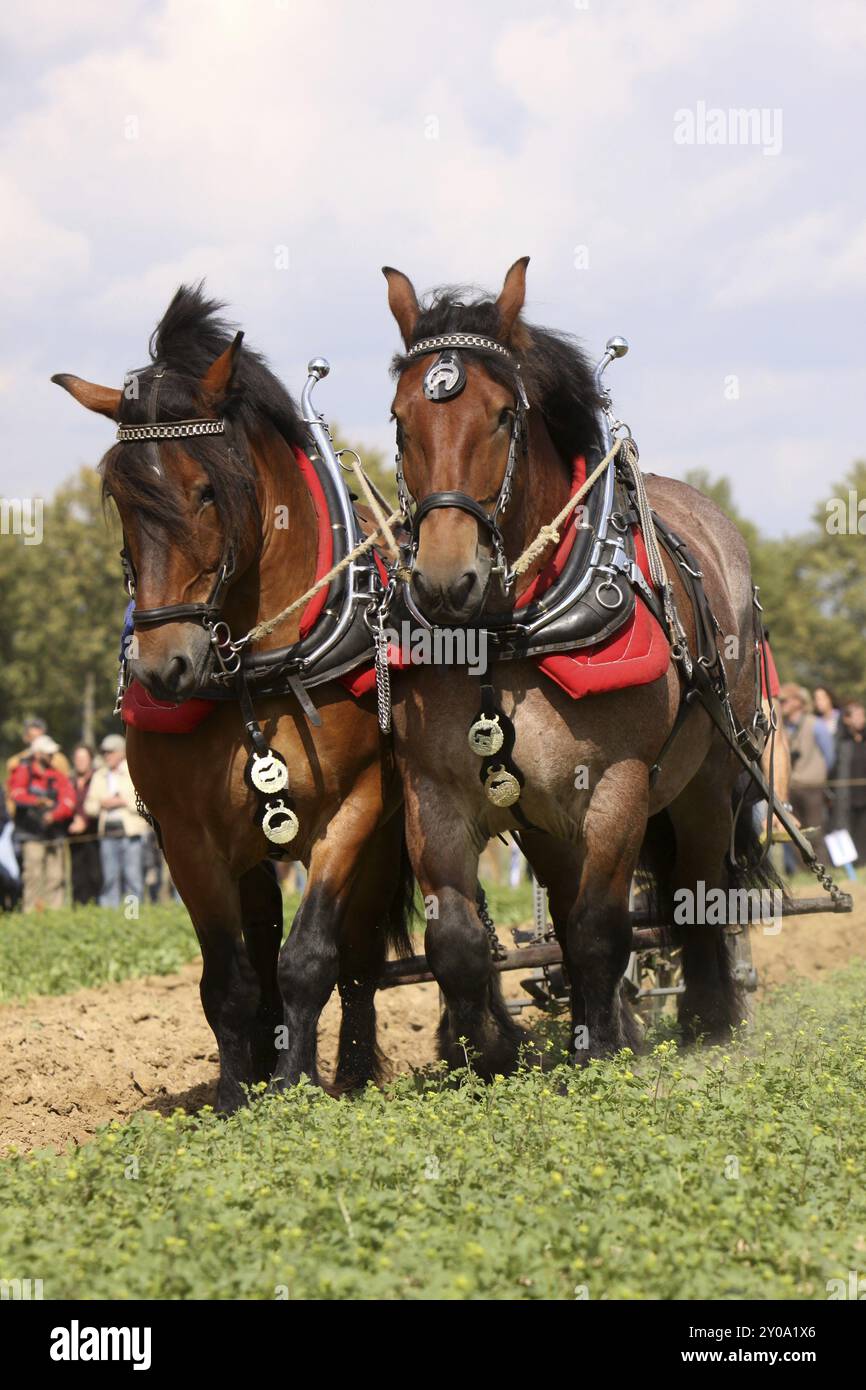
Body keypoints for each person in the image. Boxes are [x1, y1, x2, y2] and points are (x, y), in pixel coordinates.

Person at [7, 734, 75, 912]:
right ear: (37, 754)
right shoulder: (23, 771)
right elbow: (16, 795)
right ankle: (30, 914)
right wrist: (38, 802)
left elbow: (68, 801)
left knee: (56, 876)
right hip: (30, 834)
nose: (52, 756)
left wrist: (54, 814)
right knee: (33, 876)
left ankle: (56, 914)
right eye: (48, 753)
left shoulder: (58, 775)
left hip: (54, 834)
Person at [84, 734, 149, 907]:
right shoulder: (99, 775)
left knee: (132, 876)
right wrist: (102, 804)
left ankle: (132, 915)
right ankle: (110, 917)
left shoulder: (134, 771)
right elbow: (89, 806)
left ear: (121, 752)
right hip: (107, 833)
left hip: (131, 833)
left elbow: (146, 804)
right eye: (104, 752)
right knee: (110, 877)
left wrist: (123, 802)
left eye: (110, 752)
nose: (106, 756)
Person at [778, 682, 832, 866]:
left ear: (798, 702)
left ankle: (822, 867)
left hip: (813, 787)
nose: (781, 704)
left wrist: (818, 775)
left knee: (816, 831)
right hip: (791, 787)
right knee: (794, 833)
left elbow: (830, 755)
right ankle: (803, 872)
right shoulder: (782, 727)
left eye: (784, 701)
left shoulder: (816, 725)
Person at [5, 716, 70, 817]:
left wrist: (56, 812)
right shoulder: (16, 762)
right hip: (23, 816)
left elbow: (65, 788)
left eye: (38, 736)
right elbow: (11, 793)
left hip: (52, 813)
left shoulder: (59, 760)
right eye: (32, 736)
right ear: (26, 737)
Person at [67, 743, 103, 905]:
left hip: (94, 834)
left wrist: (84, 820)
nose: (80, 761)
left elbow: (99, 802)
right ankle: (78, 909)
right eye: (77, 758)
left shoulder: (99, 777)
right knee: (77, 875)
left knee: (95, 874)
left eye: (84, 758)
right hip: (73, 834)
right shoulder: (69, 781)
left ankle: (96, 907)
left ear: (90, 760)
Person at [831, 700, 866, 866]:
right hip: (847, 797)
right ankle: (851, 865)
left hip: (864, 796)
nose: (861, 719)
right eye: (857, 715)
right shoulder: (840, 743)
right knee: (846, 830)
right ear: (846, 719)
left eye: (862, 715)